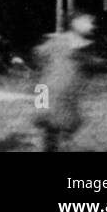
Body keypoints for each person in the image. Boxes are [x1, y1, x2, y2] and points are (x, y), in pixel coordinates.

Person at [33, 13, 96, 152]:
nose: (91, 25)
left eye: (91, 22)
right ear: (74, 23)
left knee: (63, 121)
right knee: (50, 121)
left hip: (61, 89)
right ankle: (54, 143)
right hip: (47, 87)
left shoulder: (83, 46)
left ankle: (57, 143)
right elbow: (38, 54)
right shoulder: (60, 41)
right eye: (86, 21)